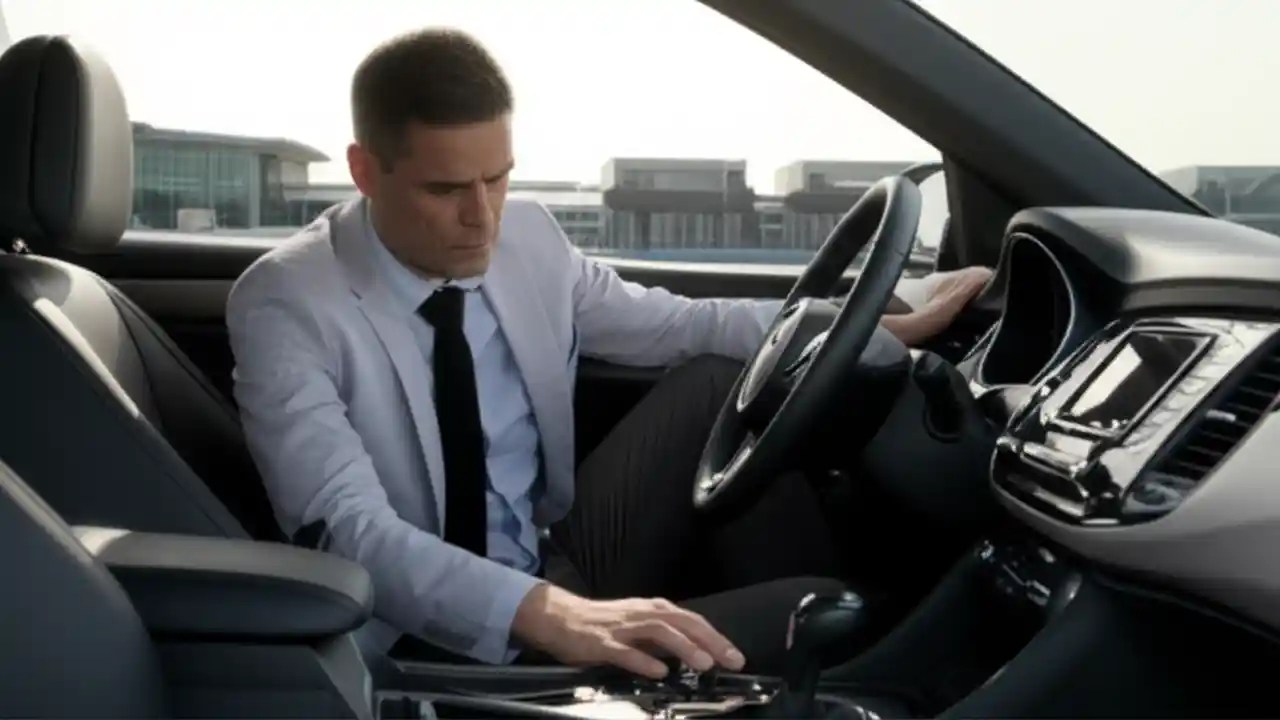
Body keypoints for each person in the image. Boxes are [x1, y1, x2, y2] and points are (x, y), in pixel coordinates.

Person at [226, 27, 992, 680]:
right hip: (425, 628)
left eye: (497, 178)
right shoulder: (287, 301)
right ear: (365, 172)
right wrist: (549, 616)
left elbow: (677, 325)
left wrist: (880, 317)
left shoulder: (529, 240)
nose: (481, 217)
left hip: (553, 553)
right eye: (447, 189)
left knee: (718, 382)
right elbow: (348, 531)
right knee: (825, 619)